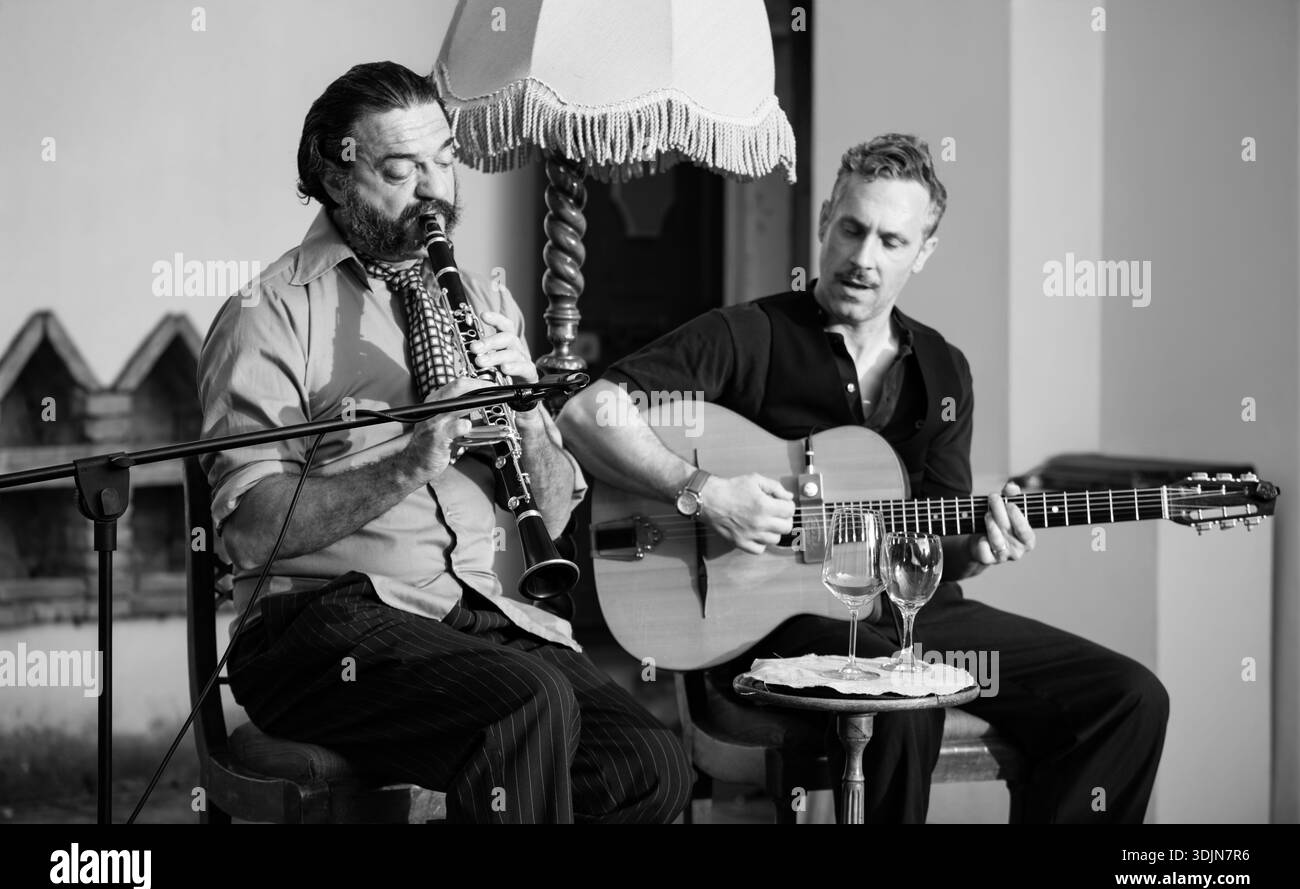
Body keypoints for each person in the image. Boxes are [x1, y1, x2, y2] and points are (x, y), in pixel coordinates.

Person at [557, 134, 1169, 823]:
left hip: (911, 615)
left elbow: (938, 539)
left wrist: (979, 547)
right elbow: (585, 411)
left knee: (1127, 696)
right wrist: (705, 490)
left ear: (924, 251)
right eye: (852, 229)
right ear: (825, 221)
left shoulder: (944, 370)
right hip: (777, 621)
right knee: (902, 702)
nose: (864, 257)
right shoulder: (748, 335)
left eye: (891, 240)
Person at [197, 62, 691, 824]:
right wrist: (414, 459)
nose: (434, 190)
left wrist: (529, 408)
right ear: (336, 178)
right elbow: (251, 530)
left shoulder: (484, 302)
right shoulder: (271, 313)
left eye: (445, 162)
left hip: (467, 613)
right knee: (527, 702)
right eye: (402, 171)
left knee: (650, 763)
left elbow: (554, 513)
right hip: (315, 628)